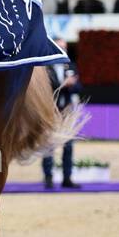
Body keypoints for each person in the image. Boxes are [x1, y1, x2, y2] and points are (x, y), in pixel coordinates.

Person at [41, 39, 80, 189]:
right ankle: (48, 177)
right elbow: (48, 87)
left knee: (68, 146)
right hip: (50, 111)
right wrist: (65, 83)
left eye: (65, 48)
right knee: (49, 146)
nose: (63, 50)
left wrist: (72, 84)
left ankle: (67, 178)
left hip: (66, 112)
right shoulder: (45, 67)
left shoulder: (70, 65)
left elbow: (78, 86)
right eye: (60, 47)